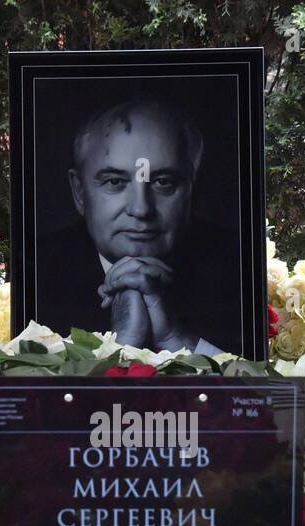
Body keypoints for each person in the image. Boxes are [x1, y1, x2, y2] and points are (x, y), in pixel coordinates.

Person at [36, 98, 238, 355]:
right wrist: (120, 346)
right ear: (79, 192)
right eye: (115, 182)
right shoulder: (37, 272)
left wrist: (178, 339)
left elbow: (265, 393)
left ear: (192, 190)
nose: (142, 209)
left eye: (163, 182)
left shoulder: (238, 267)